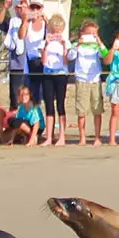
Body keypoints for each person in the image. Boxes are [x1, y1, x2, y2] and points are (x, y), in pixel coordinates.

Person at [68, 21, 108, 146]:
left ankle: (97, 137)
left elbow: (105, 55)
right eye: (88, 33)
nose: (91, 36)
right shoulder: (77, 45)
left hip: (95, 79)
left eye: (94, 33)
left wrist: (99, 42)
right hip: (81, 79)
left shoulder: (96, 46)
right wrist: (77, 45)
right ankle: (82, 137)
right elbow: (70, 56)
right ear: (82, 34)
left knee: (97, 109)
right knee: (81, 111)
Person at [40, 14, 70, 147]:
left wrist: (64, 47)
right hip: (48, 74)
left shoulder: (66, 42)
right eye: (54, 29)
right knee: (49, 105)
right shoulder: (46, 42)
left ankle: (62, 136)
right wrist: (46, 45)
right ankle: (49, 137)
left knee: (60, 105)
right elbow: (44, 61)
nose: (56, 32)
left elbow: (65, 61)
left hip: (61, 74)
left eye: (59, 30)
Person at [0, 0, 29, 109]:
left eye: (25, 7)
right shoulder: (12, 22)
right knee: (15, 97)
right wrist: (5, 8)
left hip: (31, 65)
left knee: (31, 97)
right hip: (16, 65)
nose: (22, 10)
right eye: (19, 7)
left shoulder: (34, 22)